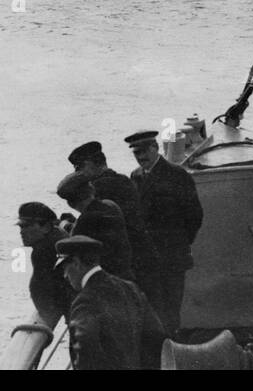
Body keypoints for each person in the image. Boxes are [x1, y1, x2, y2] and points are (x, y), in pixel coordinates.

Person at [125, 130, 203, 336]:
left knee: (170, 307)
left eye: (144, 152)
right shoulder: (136, 176)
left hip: (172, 256)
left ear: (155, 148)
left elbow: (194, 215)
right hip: (147, 259)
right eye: (136, 154)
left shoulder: (177, 175)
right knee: (153, 307)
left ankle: (172, 350)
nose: (141, 157)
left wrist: (179, 243)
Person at [67, 140, 160, 303]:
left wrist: (67, 226)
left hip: (126, 264)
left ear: (88, 164)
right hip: (144, 255)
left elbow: (91, 224)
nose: (78, 174)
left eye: (78, 168)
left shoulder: (98, 189)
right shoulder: (124, 180)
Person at [55, 234, 165, 370]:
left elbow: (84, 348)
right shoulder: (130, 288)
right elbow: (156, 335)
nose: (65, 275)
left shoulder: (85, 300)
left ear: (76, 263)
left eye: (65, 267)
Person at [56, 171, 134, 281]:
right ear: (91, 190)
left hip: (105, 282)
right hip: (125, 276)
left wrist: (63, 224)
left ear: (71, 204)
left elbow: (76, 236)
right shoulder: (111, 205)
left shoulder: (83, 223)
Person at [16, 201, 71, 327]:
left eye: (26, 226)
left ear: (45, 227)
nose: (22, 232)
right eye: (21, 227)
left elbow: (39, 290)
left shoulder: (43, 250)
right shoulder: (58, 235)